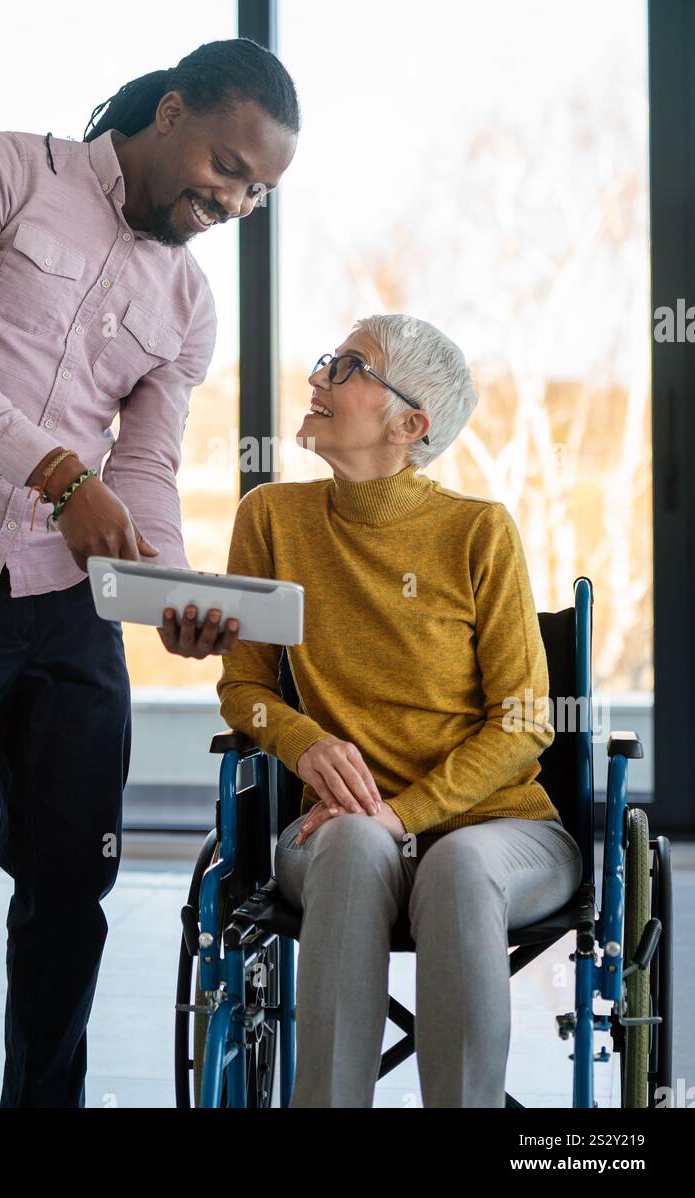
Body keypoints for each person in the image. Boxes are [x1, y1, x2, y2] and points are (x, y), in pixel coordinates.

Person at [0, 37, 299, 1108]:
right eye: (230, 168)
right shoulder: (3, 170)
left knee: (73, 889)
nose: (236, 202)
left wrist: (173, 589)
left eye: (260, 191)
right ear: (173, 112)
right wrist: (58, 471)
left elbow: (143, 465)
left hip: (66, 608)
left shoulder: (187, 306)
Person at [216, 313, 583, 1107]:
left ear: (409, 423)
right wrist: (302, 740)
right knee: (351, 845)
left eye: (348, 367)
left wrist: (405, 815)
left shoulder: (476, 532)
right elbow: (242, 688)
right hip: (337, 832)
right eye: (326, 360)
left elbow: (524, 723)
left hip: (503, 830)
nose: (317, 377)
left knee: (455, 863)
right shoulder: (271, 520)